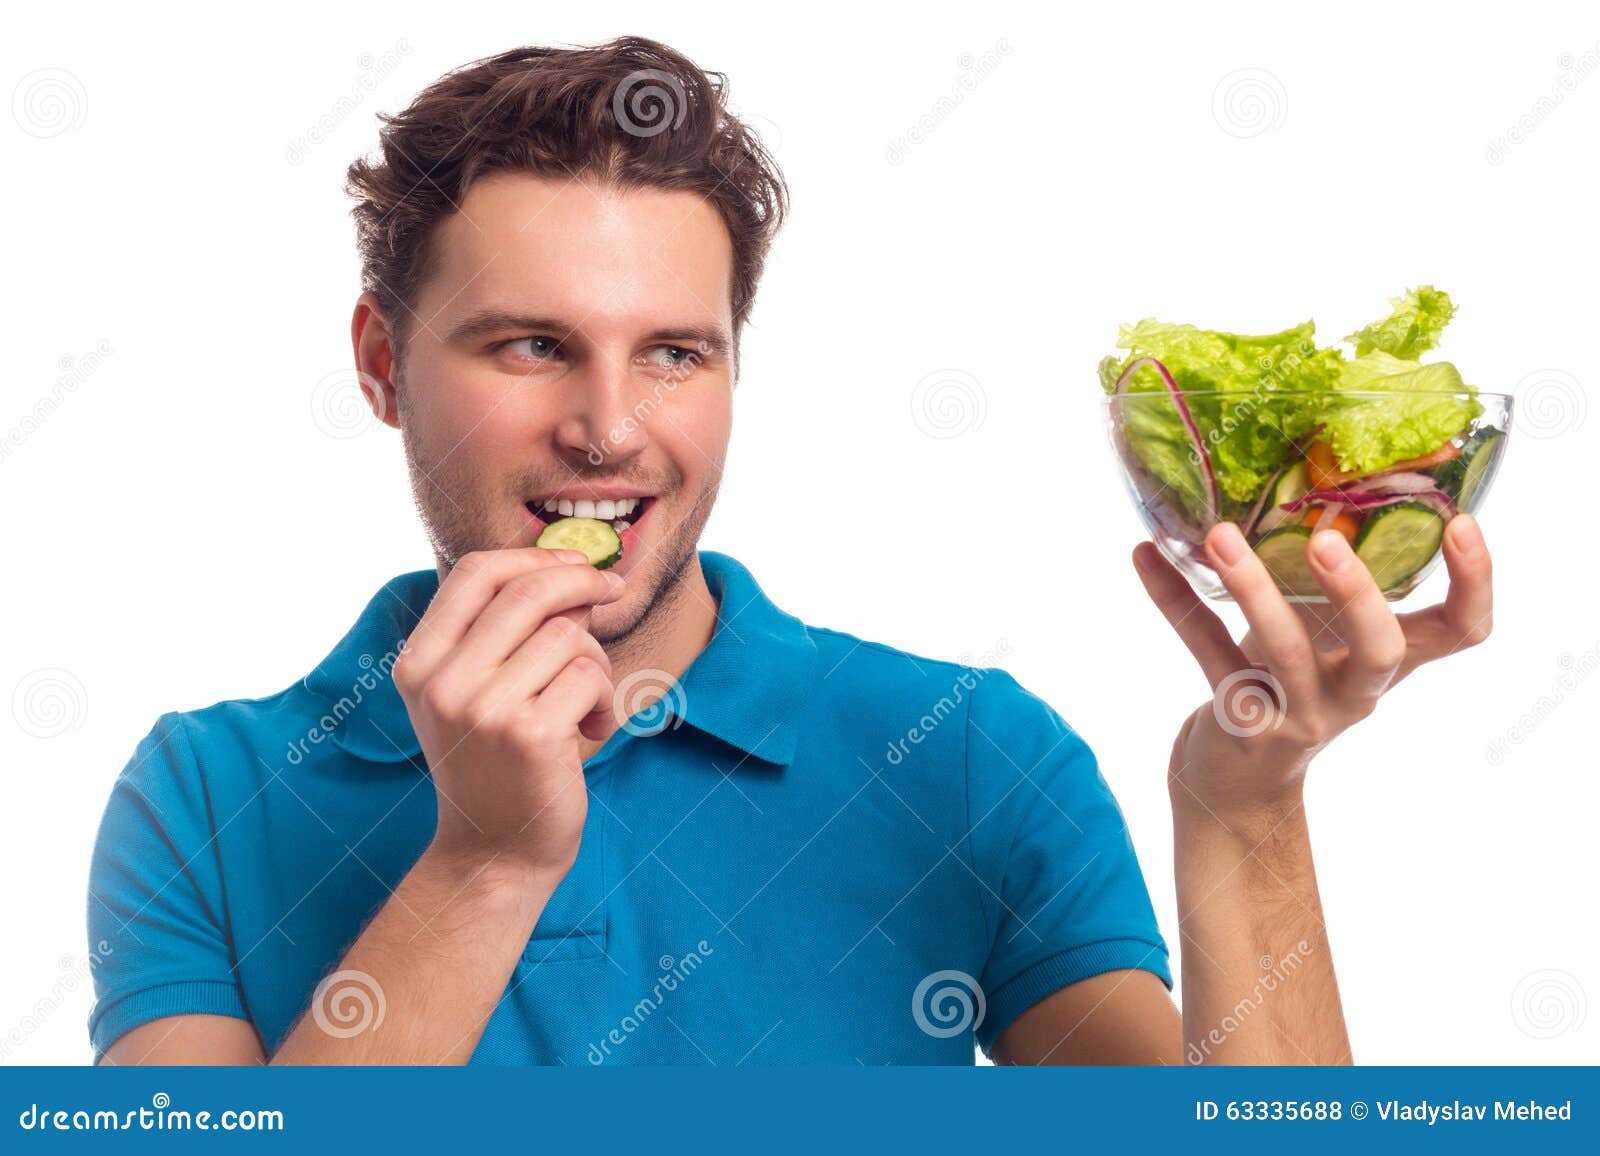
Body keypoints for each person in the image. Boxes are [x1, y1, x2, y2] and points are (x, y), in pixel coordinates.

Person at [87, 37, 1493, 1066]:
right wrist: (484, 867)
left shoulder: (969, 755)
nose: (607, 429)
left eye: (675, 354)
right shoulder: (201, 800)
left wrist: (1248, 809)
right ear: (384, 362)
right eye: (531, 345)